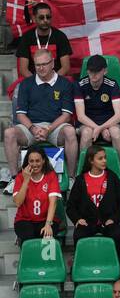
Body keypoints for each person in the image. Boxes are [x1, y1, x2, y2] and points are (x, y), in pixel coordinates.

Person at [5, 51, 75, 193]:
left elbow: (66, 115)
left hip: (55, 126)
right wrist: (32, 128)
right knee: (9, 133)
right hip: (32, 127)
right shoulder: (26, 84)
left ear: (53, 63)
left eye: (44, 64)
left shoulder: (64, 84)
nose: (41, 68)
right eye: (37, 65)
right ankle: (14, 178)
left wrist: (48, 129)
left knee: (70, 131)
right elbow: (20, 115)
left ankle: (72, 178)